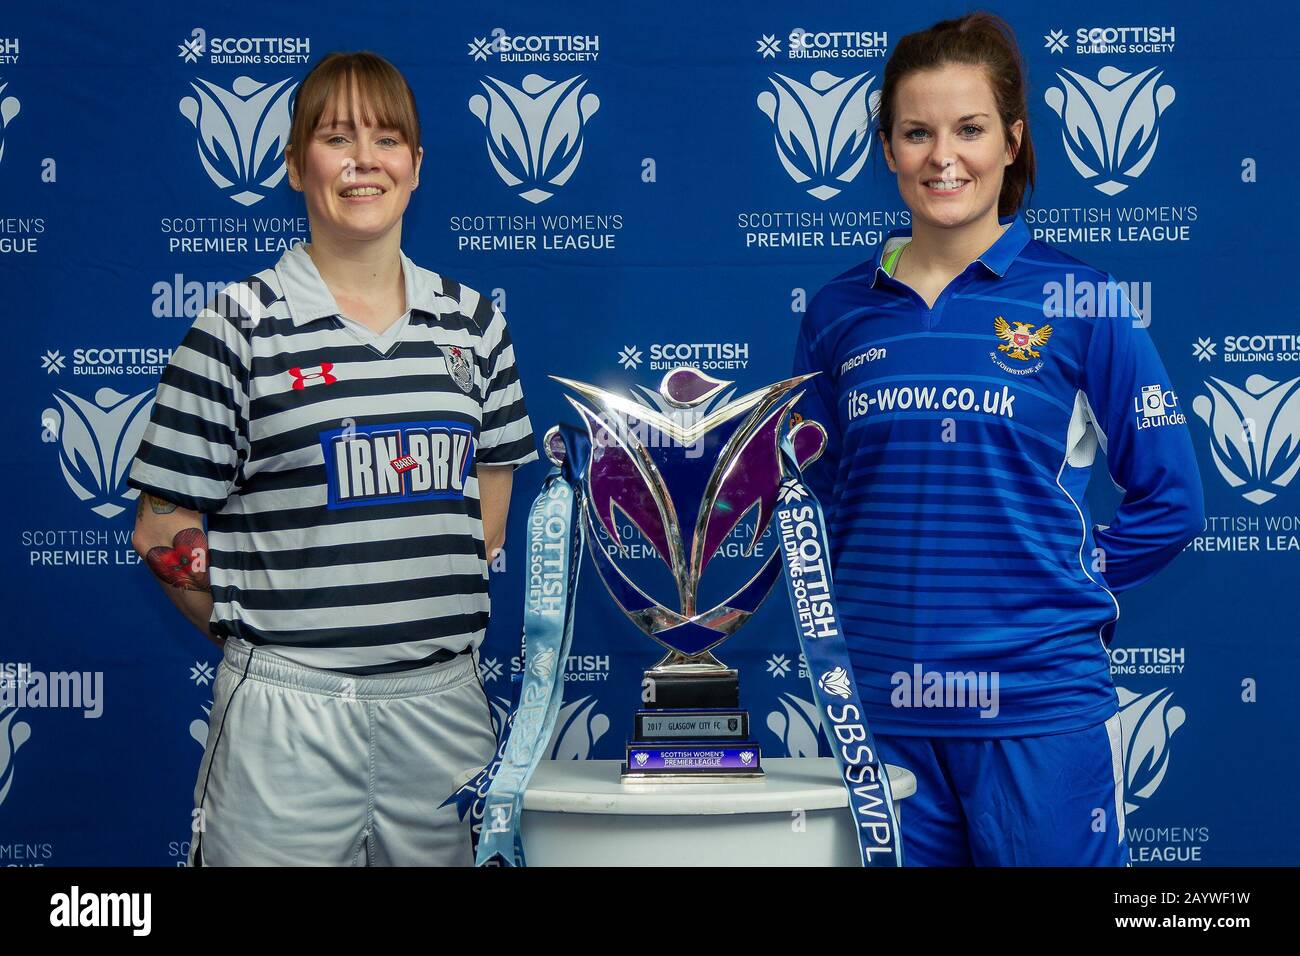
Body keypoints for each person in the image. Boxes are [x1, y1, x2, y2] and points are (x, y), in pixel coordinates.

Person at [792, 12, 1203, 866]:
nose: (943, 157)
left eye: (970, 129)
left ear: (1012, 142)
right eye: (917, 132)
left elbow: (1173, 501)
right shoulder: (836, 312)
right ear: (887, 148)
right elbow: (821, 499)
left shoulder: (1082, 302)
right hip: (879, 717)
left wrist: (1060, 583)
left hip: (1038, 711)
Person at [128, 51, 537, 866]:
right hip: (287, 719)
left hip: (444, 711)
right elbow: (161, 529)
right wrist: (270, 647)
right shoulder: (236, 326)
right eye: (336, 137)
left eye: (387, 139)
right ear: (294, 165)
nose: (363, 161)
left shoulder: (475, 325)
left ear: (416, 165)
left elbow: (484, 524)